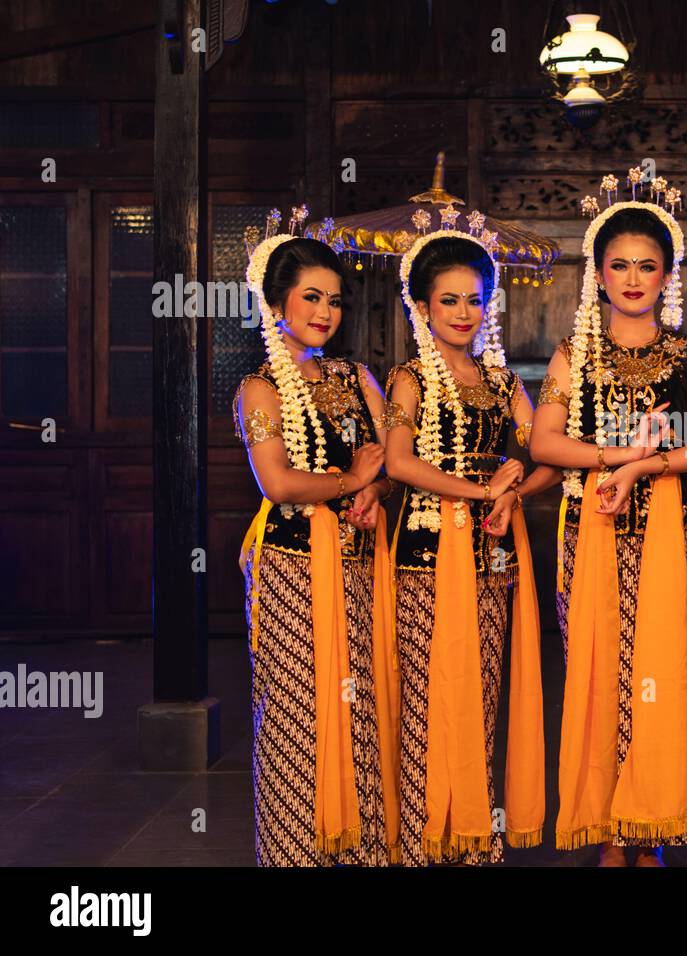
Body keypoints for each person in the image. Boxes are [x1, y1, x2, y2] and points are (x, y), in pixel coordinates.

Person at [529, 173, 687, 866]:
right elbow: (543, 443)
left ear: (669, 274)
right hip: (592, 531)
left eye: (648, 265)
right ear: (599, 273)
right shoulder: (573, 356)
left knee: (666, 672)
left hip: (672, 532)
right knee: (598, 671)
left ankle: (655, 827)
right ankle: (612, 826)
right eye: (619, 265)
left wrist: (647, 465)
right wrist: (618, 453)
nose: (634, 277)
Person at [383, 213, 553, 865]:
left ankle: (471, 839)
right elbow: (399, 462)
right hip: (425, 553)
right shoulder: (411, 379)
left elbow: (548, 454)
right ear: (422, 306)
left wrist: (516, 486)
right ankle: (429, 840)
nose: (463, 312)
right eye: (448, 300)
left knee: (480, 691)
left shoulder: (503, 381)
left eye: (474, 299)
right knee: (428, 696)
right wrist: (485, 491)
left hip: (492, 555)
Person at [235, 208, 399, 866]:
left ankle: (358, 852)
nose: (325, 312)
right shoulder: (259, 389)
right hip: (291, 568)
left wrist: (370, 488)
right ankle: (294, 855)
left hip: (358, 563)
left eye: (334, 300)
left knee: (359, 706)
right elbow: (278, 483)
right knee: (297, 719)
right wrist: (348, 480)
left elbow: (387, 461)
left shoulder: (358, 378)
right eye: (311, 297)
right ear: (277, 303)